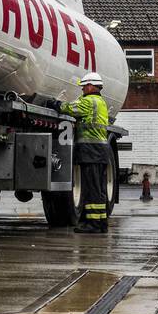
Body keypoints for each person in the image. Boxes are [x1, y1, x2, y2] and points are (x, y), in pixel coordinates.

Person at [61, 72, 111, 234]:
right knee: (99, 188)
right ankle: (101, 222)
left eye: (84, 86)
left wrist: (56, 105)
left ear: (90, 86)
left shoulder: (89, 101)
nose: (82, 89)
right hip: (100, 151)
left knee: (92, 188)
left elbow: (70, 108)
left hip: (91, 151)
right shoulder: (101, 102)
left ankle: (93, 225)